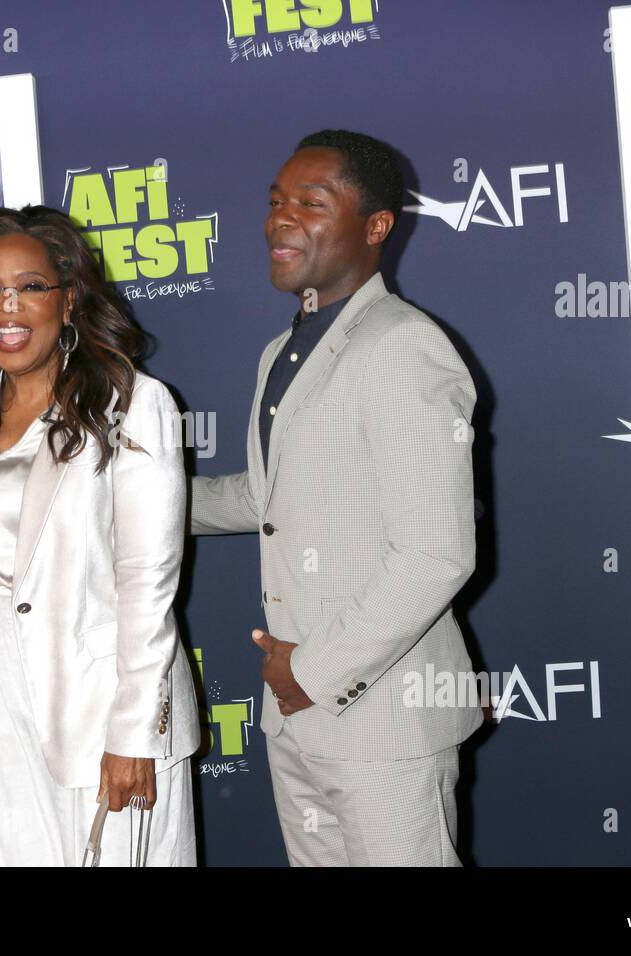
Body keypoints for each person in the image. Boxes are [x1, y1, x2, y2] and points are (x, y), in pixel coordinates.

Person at [189, 130, 481, 866]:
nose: (280, 219)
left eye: (311, 203)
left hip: (381, 719)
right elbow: (263, 499)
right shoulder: (282, 350)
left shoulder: (403, 345)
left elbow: (436, 553)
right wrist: (123, 496)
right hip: (298, 723)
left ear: (376, 225)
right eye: (276, 201)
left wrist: (310, 674)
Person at [0, 205, 199, 866]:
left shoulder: (134, 405)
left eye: (30, 286)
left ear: (69, 299)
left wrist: (135, 731)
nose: (7, 306)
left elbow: (148, 580)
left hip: (101, 697)